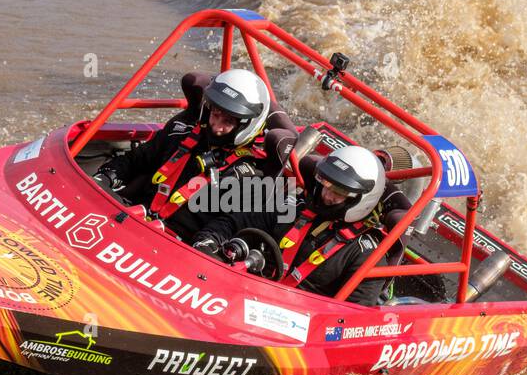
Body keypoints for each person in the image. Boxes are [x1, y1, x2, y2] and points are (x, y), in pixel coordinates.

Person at [93, 69, 295, 240]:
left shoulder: (253, 172)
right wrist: (106, 176)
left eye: (228, 122)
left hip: (178, 247)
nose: (217, 127)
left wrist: (208, 242)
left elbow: (231, 224)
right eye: (215, 113)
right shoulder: (183, 129)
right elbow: (137, 159)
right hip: (132, 218)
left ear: (246, 125)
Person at [191, 144, 401, 306]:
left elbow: (350, 321)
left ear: (361, 198)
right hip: (240, 296)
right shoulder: (293, 206)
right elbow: (233, 222)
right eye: (325, 183)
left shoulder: (367, 254)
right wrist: (206, 246)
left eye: (339, 191)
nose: (326, 195)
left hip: (294, 331)